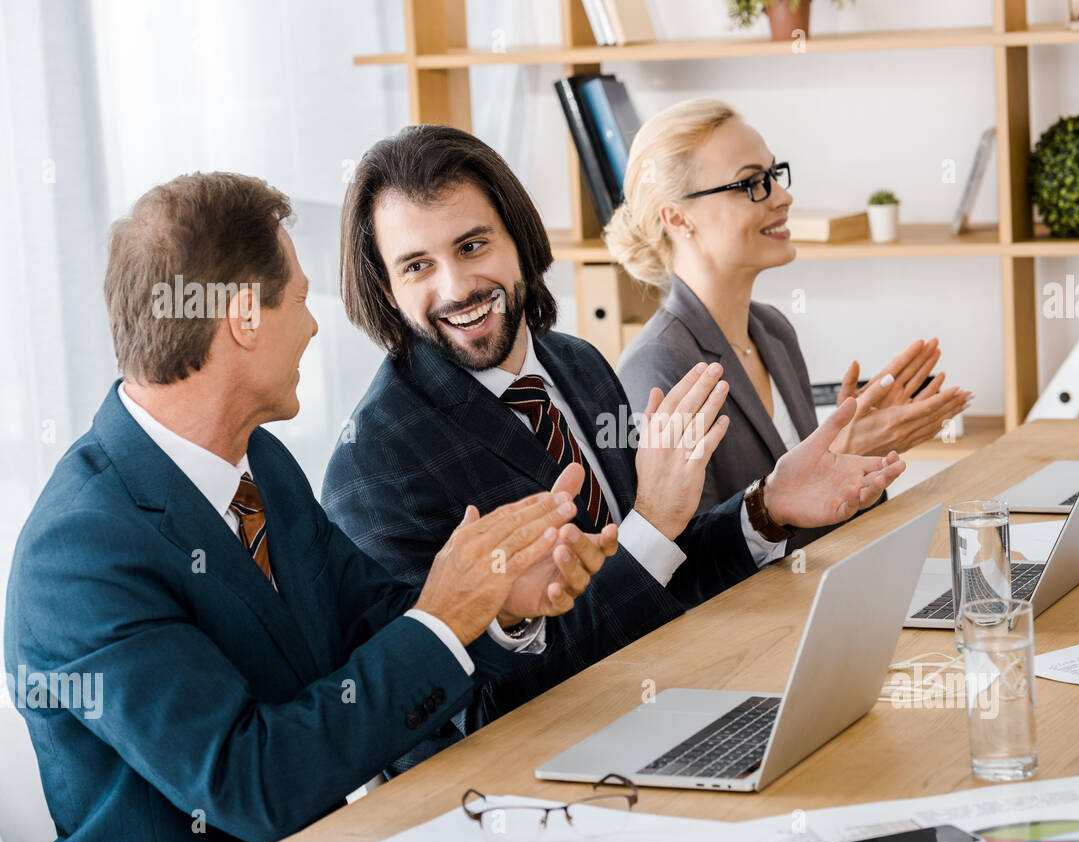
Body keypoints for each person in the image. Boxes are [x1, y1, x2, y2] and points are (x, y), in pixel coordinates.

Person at [3, 172, 612, 842]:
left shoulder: (262, 464)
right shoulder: (77, 554)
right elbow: (255, 783)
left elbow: (381, 622)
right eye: (299, 298)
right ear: (244, 320)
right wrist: (445, 617)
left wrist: (499, 601)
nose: (316, 323)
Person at [323, 124, 906, 736]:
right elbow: (457, 723)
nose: (456, 287)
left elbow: (658, 569)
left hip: (674, 706)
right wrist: (651, 524)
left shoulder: (575, 364)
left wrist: (766, 507)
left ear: (519, 240)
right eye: (417, 266)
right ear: (387, 292)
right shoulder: (373, 468)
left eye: (472, 246)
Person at [610, 98, 972, 517]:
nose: (783, 197)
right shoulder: (657, 364)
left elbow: (813, 533)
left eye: (774, 175)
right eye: (751, 183)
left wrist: (854, 464)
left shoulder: (772, 331)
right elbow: (686, 566)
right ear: (677, 218)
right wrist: (839, 453)